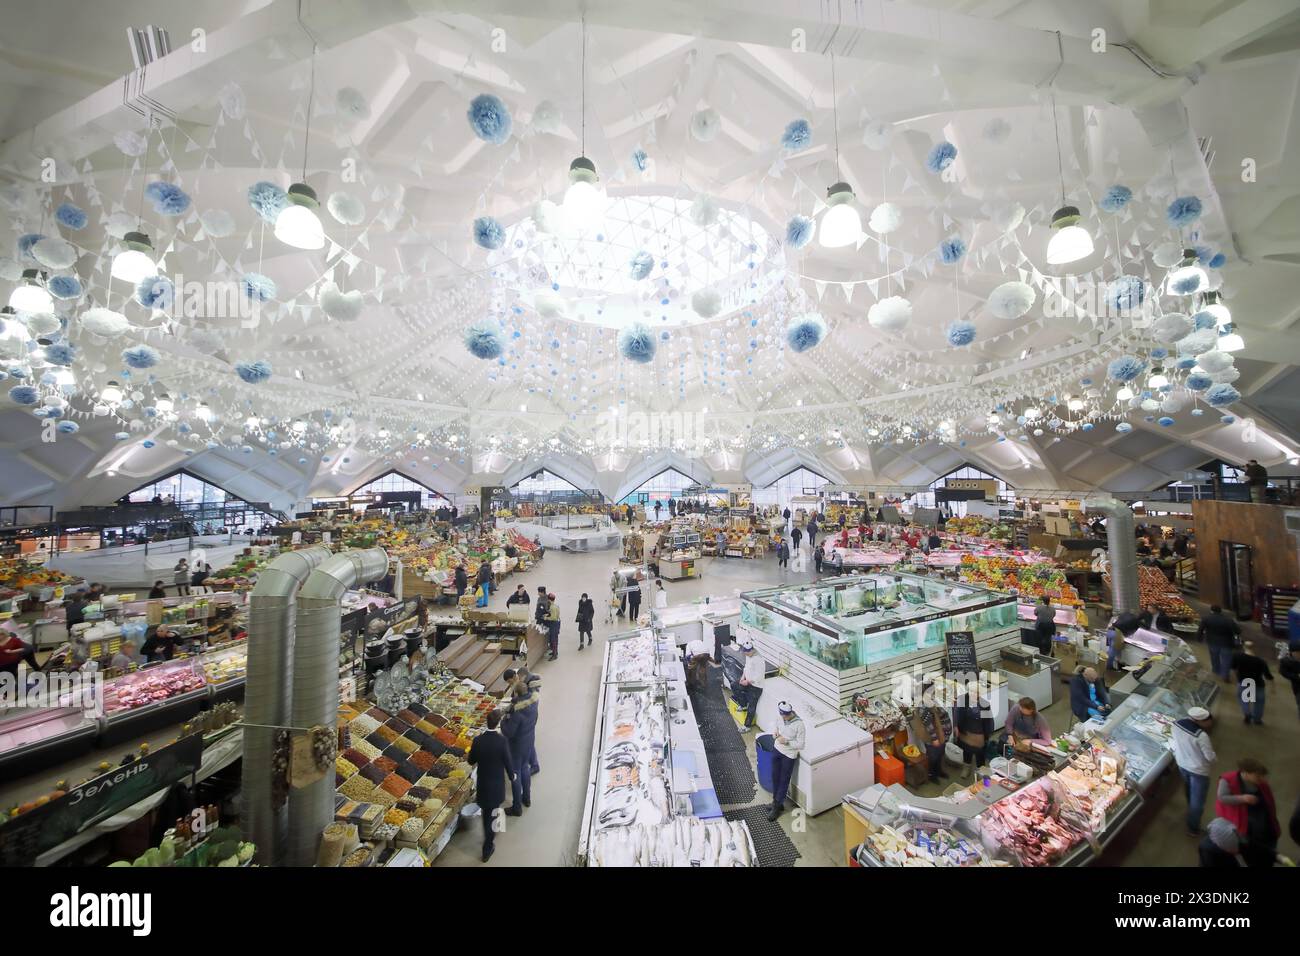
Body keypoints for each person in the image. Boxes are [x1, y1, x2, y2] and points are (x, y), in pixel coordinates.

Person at [466, 709, 515, 863]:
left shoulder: (477, 741)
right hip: (496, 784)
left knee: (487, 812)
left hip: (483, 784)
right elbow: (508, 762)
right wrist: (512, 775)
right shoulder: (502, 741)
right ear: (498, 723)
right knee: (493, 813)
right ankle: (488, 847)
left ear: (486, 722)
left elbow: (471, 761)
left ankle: (492, 832)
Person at [1215, 758, 1280, 867]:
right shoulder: (1228, 780)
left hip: (1263, 824)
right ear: (1245, 773)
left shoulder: (1260, 783)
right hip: (1245, 823)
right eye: (1258, 776)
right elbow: (1222, 798)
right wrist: (1242, 798)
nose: (1262, 779)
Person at [1172, 706, 1216, 836]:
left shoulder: (1177, 724)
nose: (1210, 724)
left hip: (1181, 764)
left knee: (1188, 790)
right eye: (1208, 721)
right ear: (1200, 721)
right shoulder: (1201, 736)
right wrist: (1214, 758)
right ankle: (1193, 828)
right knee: (1198, 801)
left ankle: (1190, 810)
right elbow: (1209, 757)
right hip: (1198, 770)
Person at [501, 680, 538, 815]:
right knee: (525, 768)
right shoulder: (534, 702)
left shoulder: (517, 713)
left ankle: (517, 807)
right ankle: (526, 798)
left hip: (517, 746)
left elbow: (508, 732)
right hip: (529, 740)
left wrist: (504, 720)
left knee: (515, 774)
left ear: (516, 692)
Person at [768, 701, 805, 822]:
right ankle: (776, 802)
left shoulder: (799, 725)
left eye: (786, 715)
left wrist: (787, 742)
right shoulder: (780, 717)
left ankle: (777, 806)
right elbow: (776, 726)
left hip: (789, 755)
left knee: (784, 780)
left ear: (790, 713)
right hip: (777, 749)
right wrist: (775, 733)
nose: (783, 717)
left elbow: (801, 744)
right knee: (775, 777)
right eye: (782, 715)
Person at [914, 687, 952, 784]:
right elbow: (928, 725)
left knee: (940, 754)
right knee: (933, 757)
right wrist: (934, 739)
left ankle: (939, 771)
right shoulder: (923, 707)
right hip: (933, 738)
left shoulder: (932, 701)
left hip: (942, 735)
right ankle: (932, 775)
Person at [1231, 640, 1273, 725]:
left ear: (1244, 647)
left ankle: (1247, 713)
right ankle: (1257, 720)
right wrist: (1273, 687)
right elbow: (1268, 676)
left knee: (1243, 699)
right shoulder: (1261, 661)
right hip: (1258, 684)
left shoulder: (1237, 656)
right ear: (1254, 648)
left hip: (1244, 682)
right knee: (1259, 703)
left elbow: (1234, 669)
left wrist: (1237, 678)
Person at [953, 698, 994, 779]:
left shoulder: (984, 704)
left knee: (980, 753)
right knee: (966, 750)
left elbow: (988, 721)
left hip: (978, 734)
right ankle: (966, 768)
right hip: (965, 732)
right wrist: (955, 725)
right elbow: (956, 714)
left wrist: (987, 734)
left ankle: (981, 771)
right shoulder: (963, 701)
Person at [1198, 605, 1240, 681]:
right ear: (1220, 611)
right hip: (1227, 643)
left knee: (1214, 657)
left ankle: (1216, 670)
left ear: (1211, 611)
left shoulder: (1206, 618)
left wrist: (1199, 639)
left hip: (1212, 642)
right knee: (1226, 660)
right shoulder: (1228, 620)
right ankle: (1225, 675)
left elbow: (1200, 630)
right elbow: (1237, 631)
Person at [734, 640, 765, 733]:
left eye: (746, 653)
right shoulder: (748, 656)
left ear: (751, 651)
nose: (745, 654)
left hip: (756, 686)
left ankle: (747, 726)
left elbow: (759, 676)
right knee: (734, 685)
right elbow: (746, 668)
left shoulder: (758, 660)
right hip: (747, 682)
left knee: (752, 705)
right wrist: (742, 677)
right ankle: (743, 704)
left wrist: (748, 682)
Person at [1278, 644, 1300, 720]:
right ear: (1292, 653)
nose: (1298, 654)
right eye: (1297, 652)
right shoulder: (1287, 661)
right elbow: (1283, 671)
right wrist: (1296, 676)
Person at [544, 593, 560, 660]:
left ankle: (554, 655)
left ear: (549, 599)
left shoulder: (552, 607)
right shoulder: (556, 606)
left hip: (553, 624)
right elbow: (557, 615)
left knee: (553, 640)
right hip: (557, 623)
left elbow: (553, 618)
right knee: (555, 639)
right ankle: (555, 652)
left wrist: (546, 618)